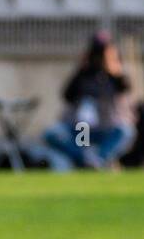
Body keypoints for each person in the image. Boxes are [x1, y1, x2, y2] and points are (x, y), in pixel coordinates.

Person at [43, 30, 136, 170]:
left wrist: (115, 69)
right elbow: (67, 95)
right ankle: (85, 160)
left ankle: (98, 159)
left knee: (126, 131)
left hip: (106, 128)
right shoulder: (83, 75)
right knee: (52, 133)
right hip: (82, 130)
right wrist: (81, 69)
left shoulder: (114, 77)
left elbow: (125, 89)